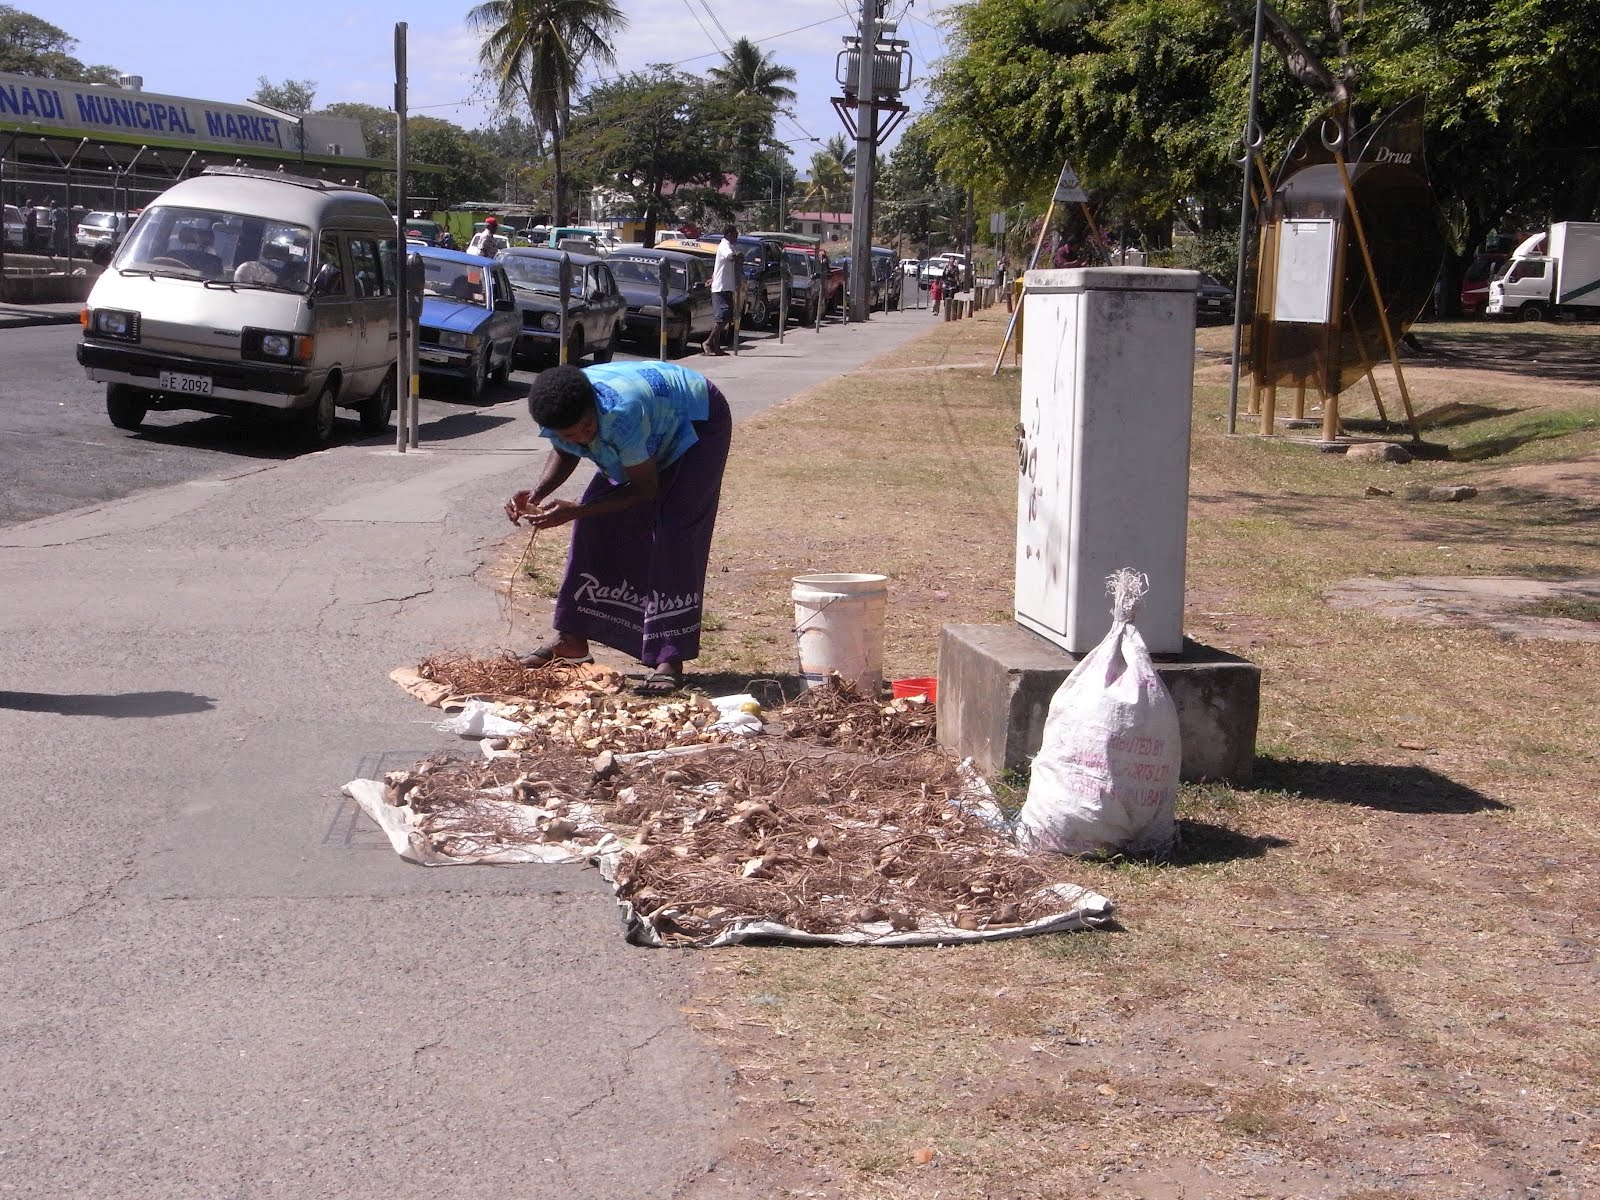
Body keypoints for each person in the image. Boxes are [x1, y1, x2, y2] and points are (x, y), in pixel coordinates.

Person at [504, 362, 733, 695]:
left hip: (697, 419)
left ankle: (669, 655)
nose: (582, 439)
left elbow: (645, 491)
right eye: (570, 434)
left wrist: (578, 510)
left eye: (585, 428)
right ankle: (572, 641)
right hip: (650, 424)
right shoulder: (563, 414)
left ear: (593, 406)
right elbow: (567, 451)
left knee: (672, 532)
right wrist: (538, 493)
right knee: (593, 525)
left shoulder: (621, 413)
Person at [704, 223, 740, 356]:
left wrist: (712, 277)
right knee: (722, 317)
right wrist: (737, 256)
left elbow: (718, 266)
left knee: (725, 317)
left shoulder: (729, 245)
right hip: (721, 288)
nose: (737, 236)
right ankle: (708, 342)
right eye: (735, 233)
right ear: (729, 234)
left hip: (726, 286)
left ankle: (717, 347)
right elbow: (729, 257)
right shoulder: (725, 245)